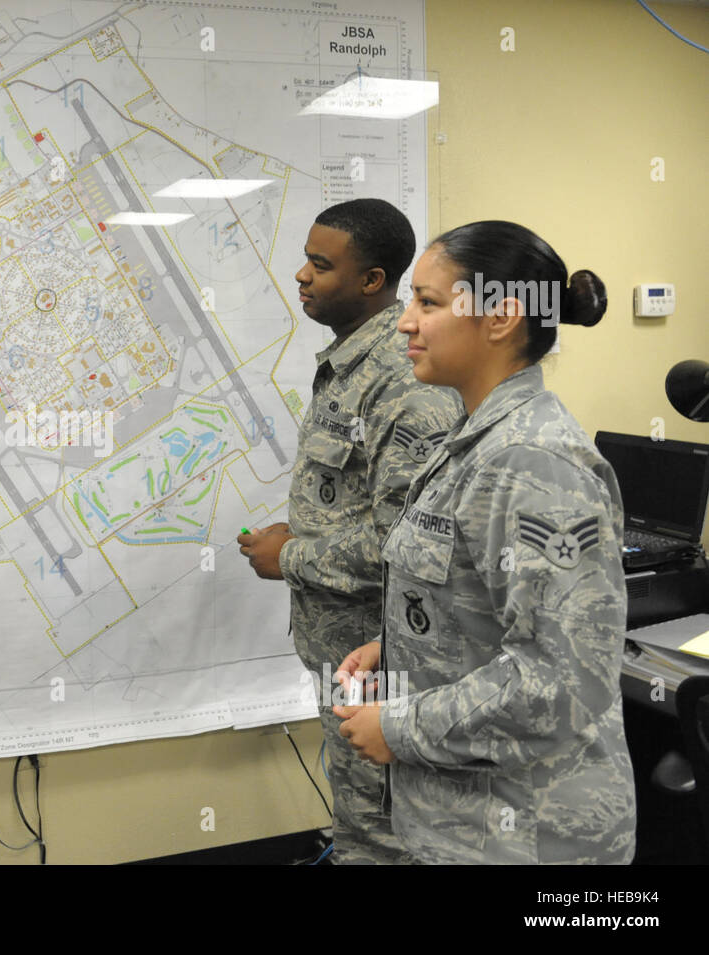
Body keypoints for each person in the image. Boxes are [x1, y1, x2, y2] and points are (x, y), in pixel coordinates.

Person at [333, 220, 637, 864]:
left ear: (500, 318)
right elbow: (481, 606)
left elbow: (561, 679)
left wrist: (400, 726)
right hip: (465, 824)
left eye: (429, 302)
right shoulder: (475, 440)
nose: (404, 323)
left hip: (528, 839)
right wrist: (400, 646)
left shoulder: (532, 462)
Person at [238, 199, 462, 864]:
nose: (302, 275)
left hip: (386, 661)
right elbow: (360, 499)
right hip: (344, 655)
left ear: (372, 279)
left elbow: (414, 543)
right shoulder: (350, 359)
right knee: (362, 818)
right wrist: (300, 528)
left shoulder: (403, 381)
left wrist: (293, 555)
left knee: (382, 835)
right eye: (306, 258)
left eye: (320, 263)